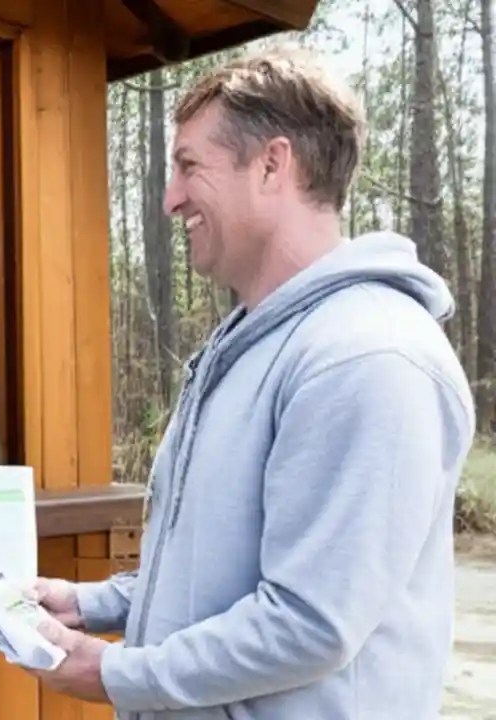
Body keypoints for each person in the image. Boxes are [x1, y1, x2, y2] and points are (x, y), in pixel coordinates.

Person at [24, 46, 475, 719]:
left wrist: (116, 673)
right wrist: (94, 604)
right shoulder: (250, 346)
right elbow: (215, 569)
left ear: (272, 165)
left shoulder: (364, 357)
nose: (171, 199)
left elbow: (308, 623)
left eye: (188, 167)